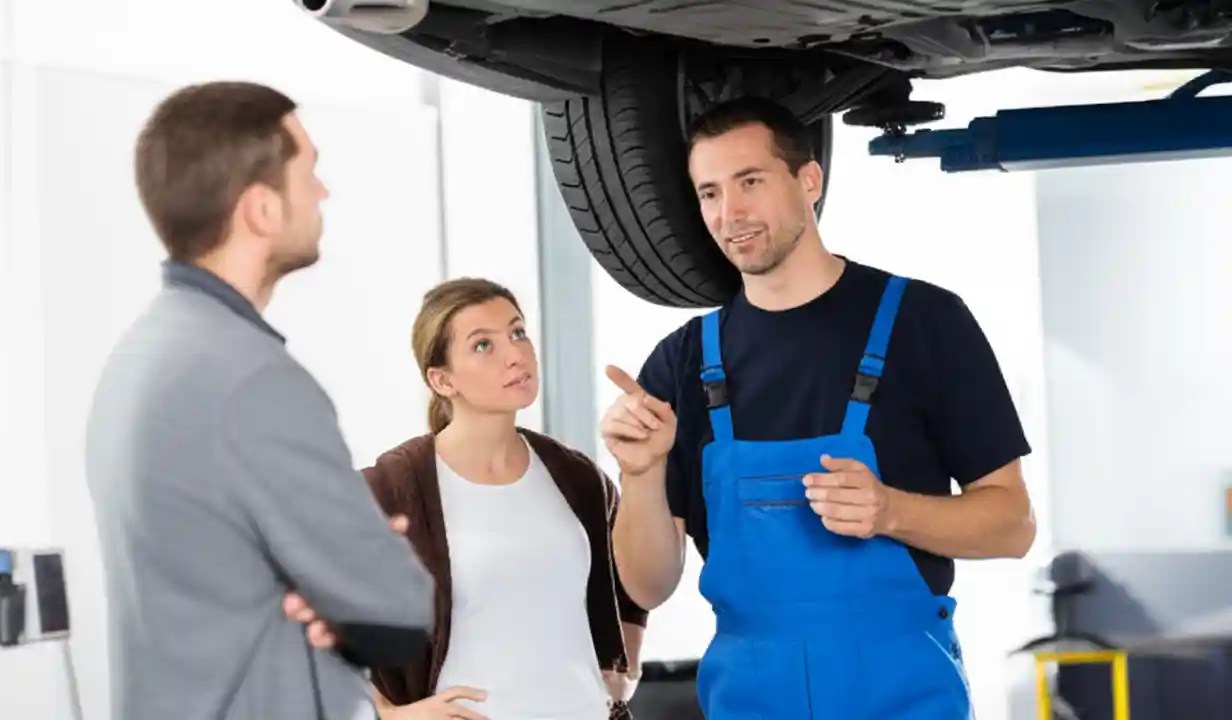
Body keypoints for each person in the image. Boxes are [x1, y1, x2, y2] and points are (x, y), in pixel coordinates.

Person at [600, 96, 1037, 719]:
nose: (731, 214)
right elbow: (647, 585)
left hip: (903, 698)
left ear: (809, 180)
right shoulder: (682, 363)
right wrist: (640, 477)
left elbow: (1013, 525)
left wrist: (889, 510)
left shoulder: (925, 322)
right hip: (750, 700)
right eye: (710, 193)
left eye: (750, 182)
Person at [85, 81, 434, 720]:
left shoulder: (138, 358)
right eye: (310, 172)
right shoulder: (252, 381)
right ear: (261, 210)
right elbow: (396, 610)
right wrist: (358, 566)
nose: (323, 192)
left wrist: (338, 575)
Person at [288, 277, 649, 719]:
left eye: (518, 333)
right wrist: (390, 715)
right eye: (483, 345)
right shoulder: (391, 490)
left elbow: (628, 590)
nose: (515, 353)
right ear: (442, 380)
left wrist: (620, 671)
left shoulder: (577, 477)